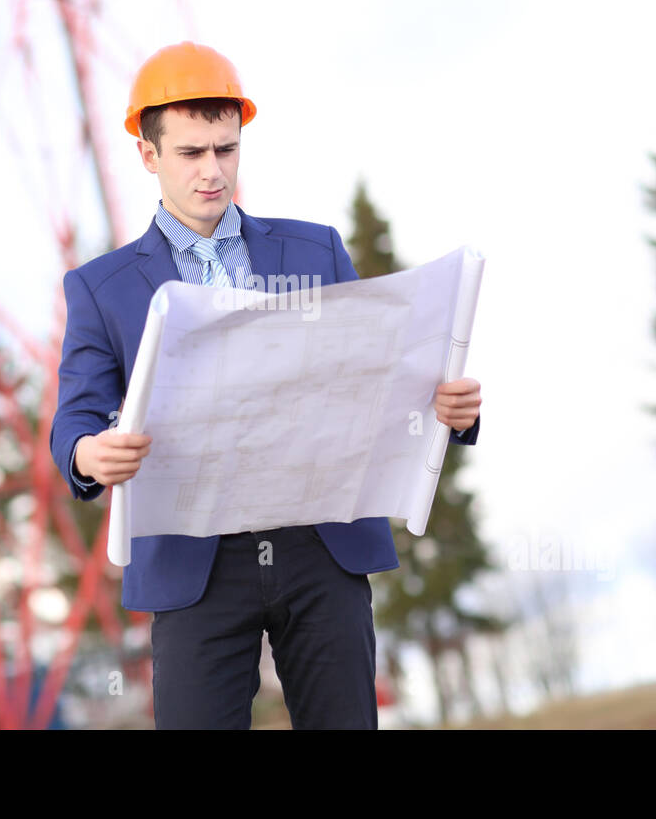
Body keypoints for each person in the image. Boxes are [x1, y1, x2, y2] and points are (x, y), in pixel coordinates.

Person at [49, 41, 482, 729]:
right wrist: (88, 454)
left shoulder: (314, 251)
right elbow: (73, 420)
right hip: (194, 565)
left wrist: (446, 411)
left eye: (227, 148)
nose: (213, 171)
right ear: (148, 154)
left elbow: (378, 376)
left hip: (320, 546)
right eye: (192, 153)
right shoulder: (100, 290)